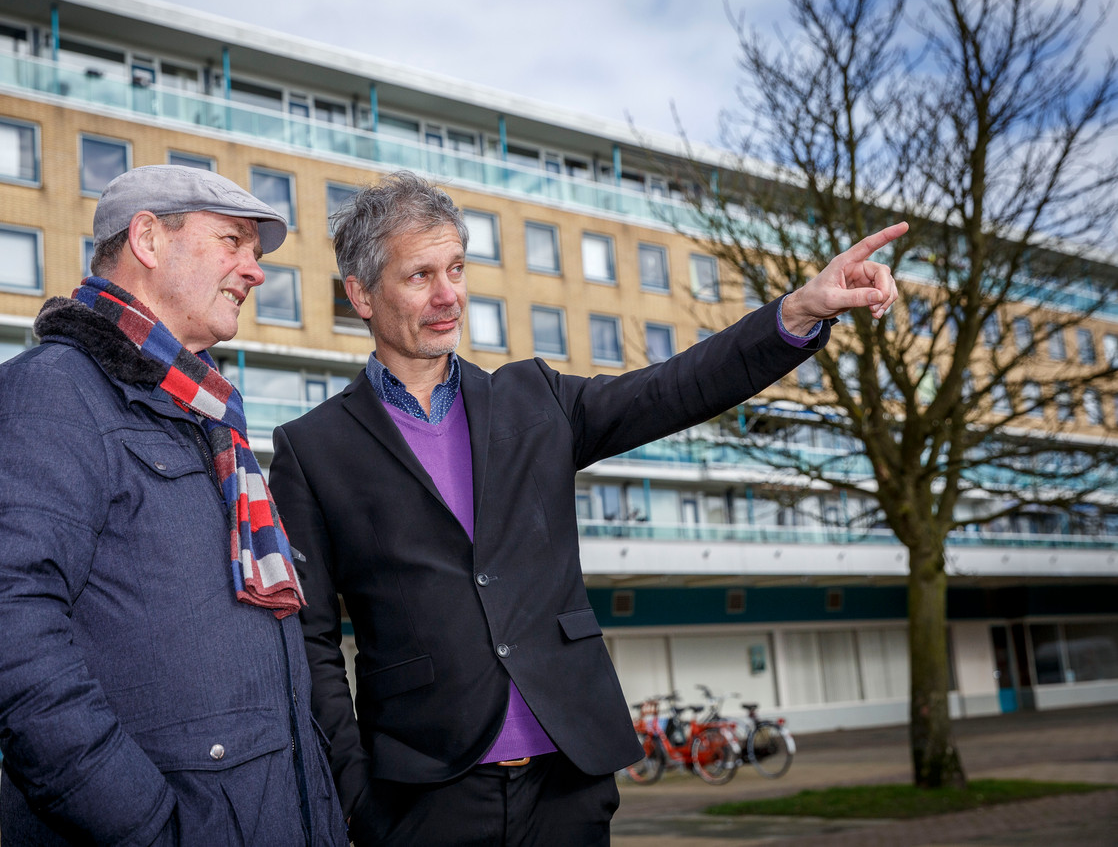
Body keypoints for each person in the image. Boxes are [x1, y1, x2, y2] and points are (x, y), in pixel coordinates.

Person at [268, 171, 902, 846]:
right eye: (420, 276)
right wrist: (356, 791)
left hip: (566, 782)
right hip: (424, 795)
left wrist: (798, 314)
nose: (449, 294)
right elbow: (307, 642)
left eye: (456, 267)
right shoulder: (311, 450)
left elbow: (674, 388)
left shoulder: (536, 398)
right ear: (361, 295)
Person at [0, 165, 348, 847]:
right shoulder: (46, 396)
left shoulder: (207, 415)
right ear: (149, 239)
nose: (255, 271)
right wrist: (151, 829)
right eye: (234, 242)